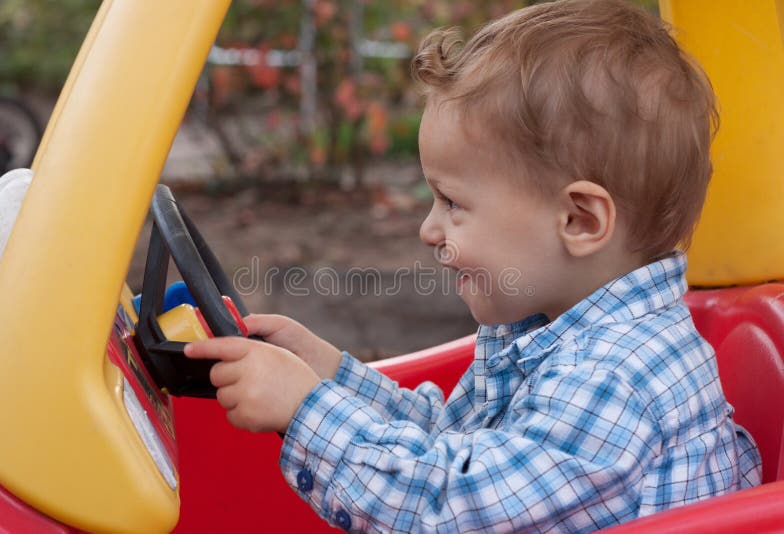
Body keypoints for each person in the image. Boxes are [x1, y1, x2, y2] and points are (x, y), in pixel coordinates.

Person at [184, 0, 762, 531]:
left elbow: (447, 510)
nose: (428, 229)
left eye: (454, 203)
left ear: (580, 220)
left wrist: (308, 412)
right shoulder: (553, 328)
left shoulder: (613, 378)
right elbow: (460, 445)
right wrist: (330, 375)